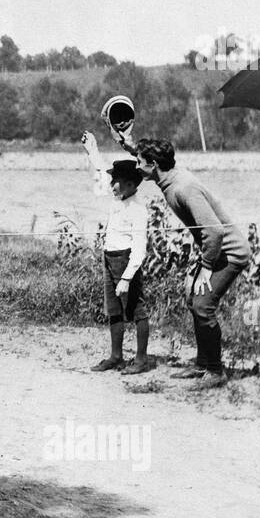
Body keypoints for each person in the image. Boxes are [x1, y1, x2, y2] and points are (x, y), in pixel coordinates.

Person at [136, 138, 250, 390]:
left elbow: (215, 231)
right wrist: (126, 142)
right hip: (214, 250)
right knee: (193, 299)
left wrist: (206, 267)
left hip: (229, 252)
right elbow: (142, 154)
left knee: (203, 304)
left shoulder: (183, 188)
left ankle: (215, 371)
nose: (136, 166)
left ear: (153, 165)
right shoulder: (168, 176)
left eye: (139, 163)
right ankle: (202, 364)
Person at [81, 132, 152, 374]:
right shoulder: (117, 197)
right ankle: (116, 356)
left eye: (117, 182)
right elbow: (100, 175)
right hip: (109, 258)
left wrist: (126, 278)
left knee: (136, 309)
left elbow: (140, 249)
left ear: (131, 185)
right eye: (113, 182)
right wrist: (92, 151)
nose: (111, 186)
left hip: (126, 261)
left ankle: (141, 360)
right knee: (113, 309)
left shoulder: (138, 209)